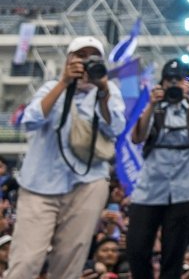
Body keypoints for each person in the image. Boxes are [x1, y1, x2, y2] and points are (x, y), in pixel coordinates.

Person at [7, 36, 125, 279]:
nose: (86, 62)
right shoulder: (51, 87)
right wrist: (63, 82)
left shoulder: (108, 91)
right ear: (69, 60)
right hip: (40, 185)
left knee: (70, 262)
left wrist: (102, 91)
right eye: (81, 56)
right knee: (26, 261)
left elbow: (116, 128)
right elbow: (30, 120)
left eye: (93, 57)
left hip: (87, 184)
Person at [127, 58, 189, 279]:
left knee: (174, 254)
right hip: (150, 189)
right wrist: (151, 104)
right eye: (169, 80)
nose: (174, 84)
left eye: (179, 80)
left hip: (184, 189)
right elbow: (137, 137)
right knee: (137, 249)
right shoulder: (155, 107)